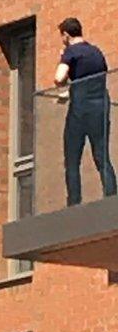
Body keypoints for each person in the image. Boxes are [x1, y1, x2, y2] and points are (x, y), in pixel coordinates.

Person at [55, 17, 117, 206]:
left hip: (80, 111)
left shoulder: (71, 52)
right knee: (101, 155)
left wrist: (63, 60)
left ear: (66, 35)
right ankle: (112, 197)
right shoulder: (96, 52)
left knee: (72, 158)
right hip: (100, 107)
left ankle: (74, 202)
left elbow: (58, 78)